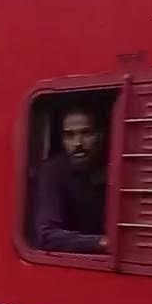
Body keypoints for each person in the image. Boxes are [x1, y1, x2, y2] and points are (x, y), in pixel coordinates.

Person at [34, 106, 107, 253]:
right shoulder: (53, 170)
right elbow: (47, 236)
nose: (77, 143)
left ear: (101, 134)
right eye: (69, 135)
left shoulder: (116, 167)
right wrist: (101, 243)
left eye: (86, 133)